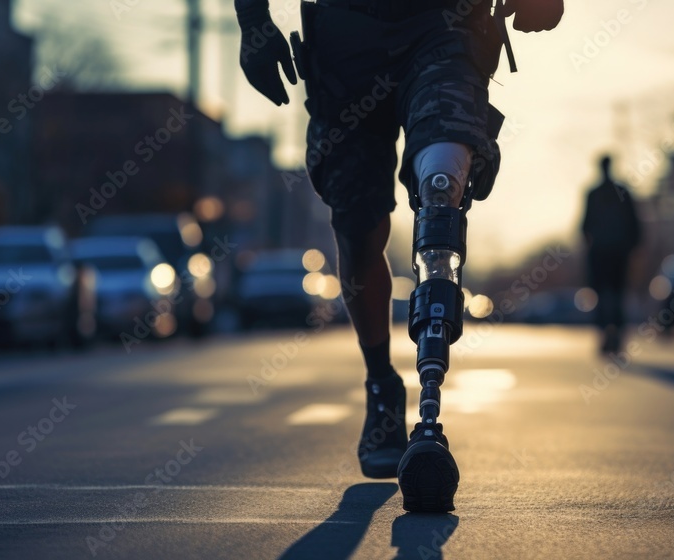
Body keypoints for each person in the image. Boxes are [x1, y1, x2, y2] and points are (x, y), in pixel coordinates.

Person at [234, 0, 562, 511]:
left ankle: (431, 396)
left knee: (441, 183)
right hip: (345, 43)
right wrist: (253, 21)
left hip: (445, 27)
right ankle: (382, 383)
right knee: (358, 227)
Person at [581, 155, 641, 354]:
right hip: (615, 252)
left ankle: (609, 336)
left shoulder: (595, 194)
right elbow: (634, 224)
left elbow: (585, 226)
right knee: (614, 295)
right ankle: (612, 336)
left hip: (604, 253)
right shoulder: (618, 192)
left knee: (608, 295)